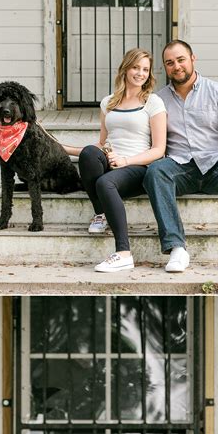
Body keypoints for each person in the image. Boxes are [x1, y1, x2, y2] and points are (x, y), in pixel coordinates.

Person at [143, 40, 218, 274]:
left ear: (192, 59)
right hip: (180, 168)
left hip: (216, 164)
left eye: (181, 60)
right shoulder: (158, 100)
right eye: (170, 63)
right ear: (165, 67)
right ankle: (177, 248)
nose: (176, 66)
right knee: (156, 171)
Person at [62, 48, 167, 273]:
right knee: (89, 153)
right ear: (125, 69)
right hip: (112, 162)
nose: (140, 73)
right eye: (136, 67)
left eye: (145, 69)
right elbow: (102, 143)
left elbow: (159, 149)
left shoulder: (153, 102)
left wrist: (126, 160)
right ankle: (100, 212)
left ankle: (124, 253)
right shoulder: (108, 102)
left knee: (104, 182)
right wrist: (65, 149)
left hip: (139, 167)